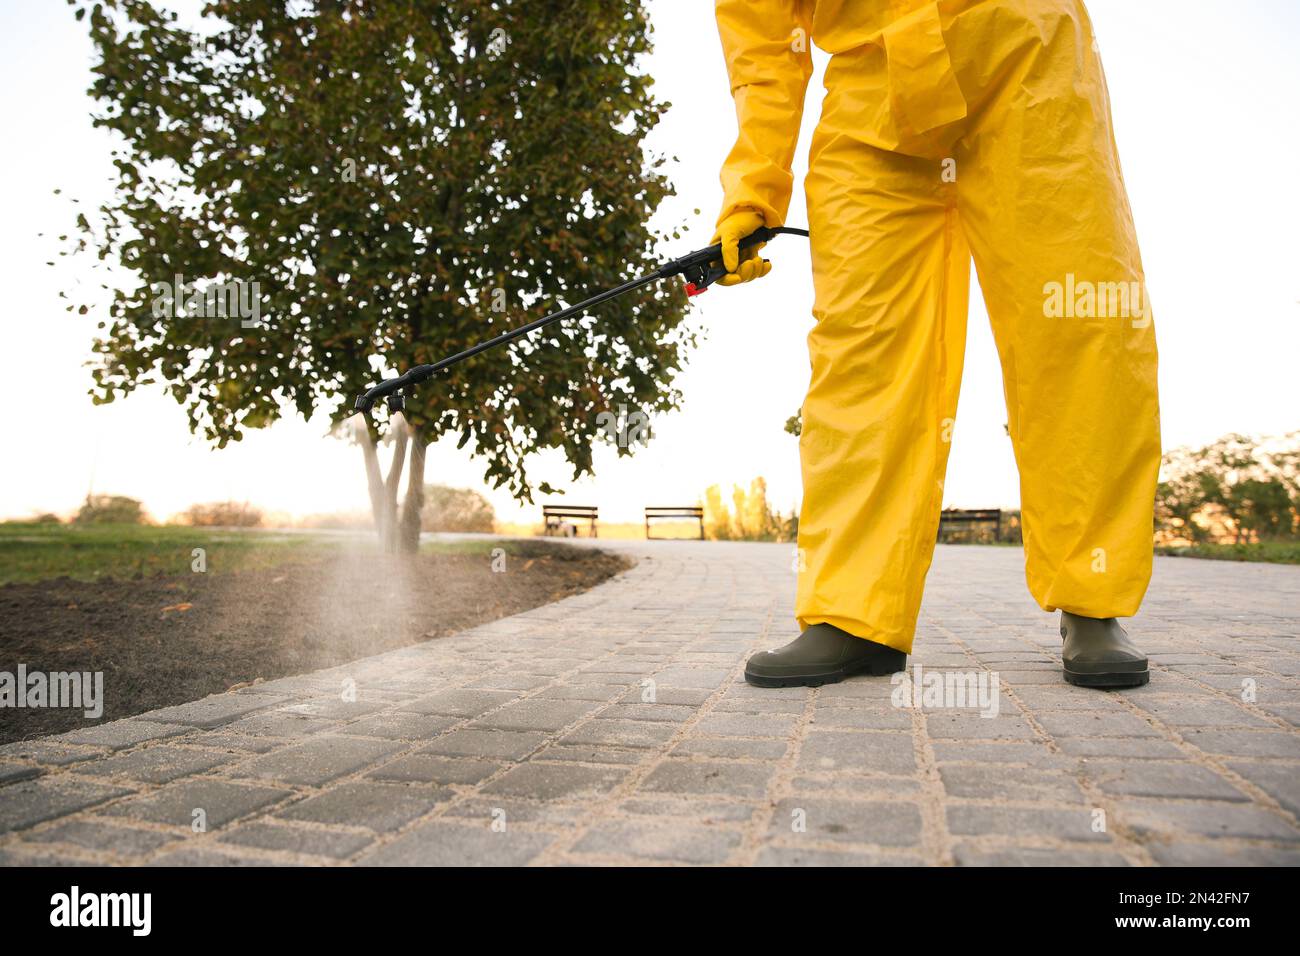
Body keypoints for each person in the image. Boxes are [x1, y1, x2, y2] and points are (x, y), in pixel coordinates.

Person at [711, 0, 1160, 690]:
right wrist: (753, 191)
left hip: (1023, 55)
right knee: (859, 355)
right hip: (872, 94)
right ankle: (853, 614)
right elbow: (763, 46)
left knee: (1077, 329)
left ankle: (1092, 599)